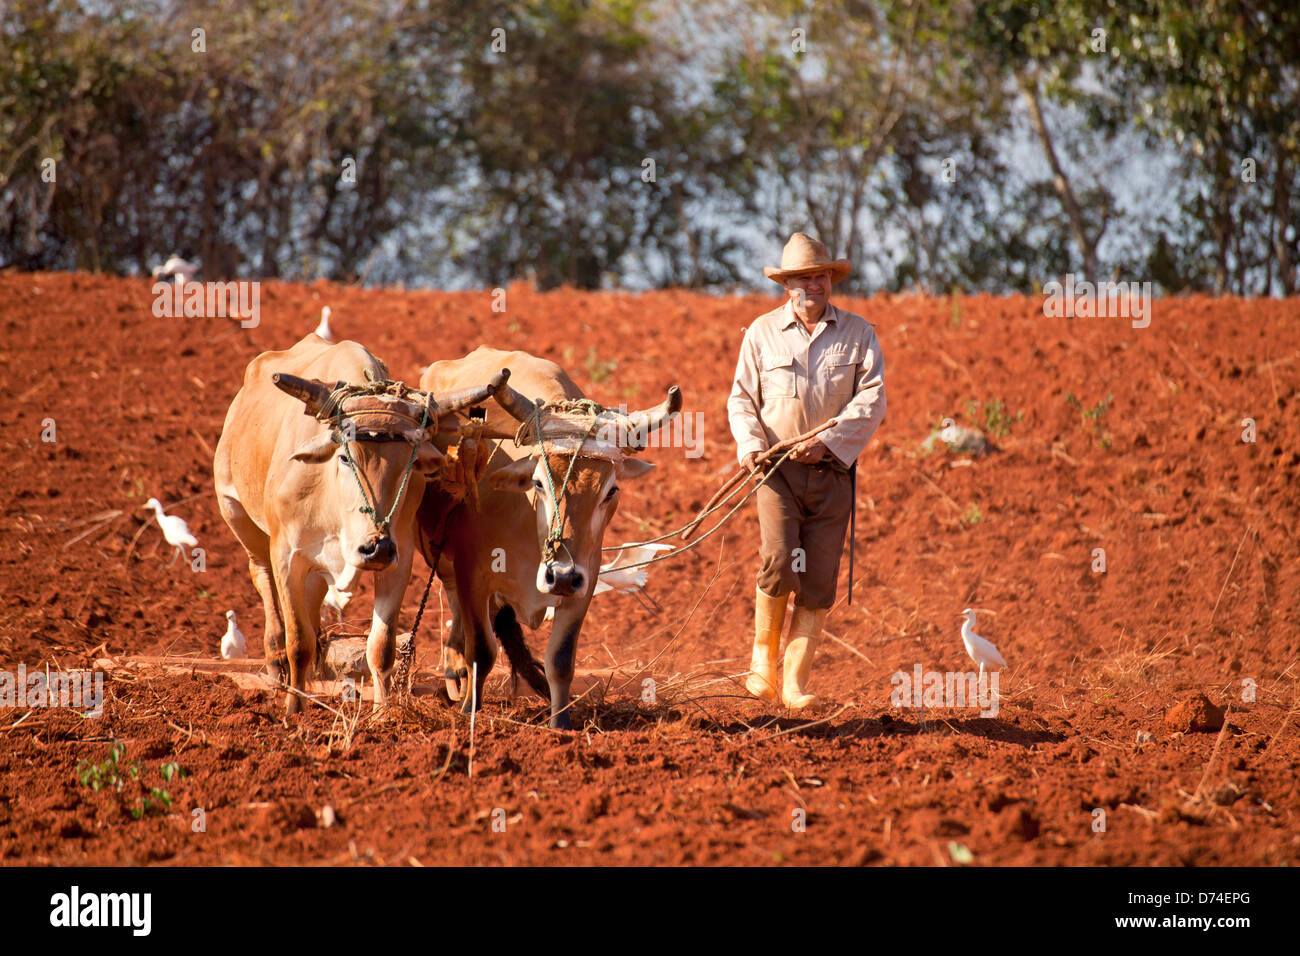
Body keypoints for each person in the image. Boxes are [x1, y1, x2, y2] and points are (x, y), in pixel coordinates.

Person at [727, 233, 886, 708]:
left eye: (820, 276)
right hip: (776, 473)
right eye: (802, 278)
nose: (813, 285)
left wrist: (828, 443)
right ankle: (762, 667)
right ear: (786, 285)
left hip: (834, 474)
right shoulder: (760, 334)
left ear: (830, 280)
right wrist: (752, 447)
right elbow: (741, 400)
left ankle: (793, 682)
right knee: (778, 561)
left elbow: (872, 399)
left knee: (818, 581)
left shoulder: (860, 334)